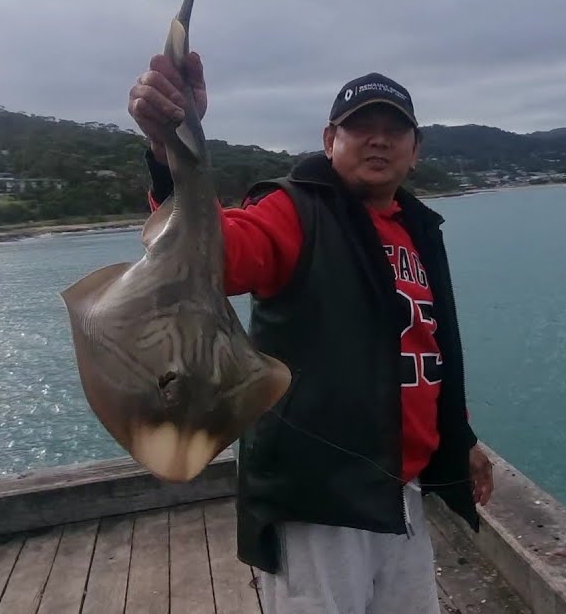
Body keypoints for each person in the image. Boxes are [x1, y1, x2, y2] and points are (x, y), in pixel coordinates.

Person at [127, 51, 493, 613]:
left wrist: (460, 439)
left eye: (394, 131)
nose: (377, 141)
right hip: (319, 502)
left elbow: (429, 350)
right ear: (329, 141)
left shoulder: (418, 229)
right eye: (359, 129)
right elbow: (209, 255)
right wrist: (174, 145)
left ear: (415, 150)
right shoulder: (293, 211)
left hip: (403, 490)